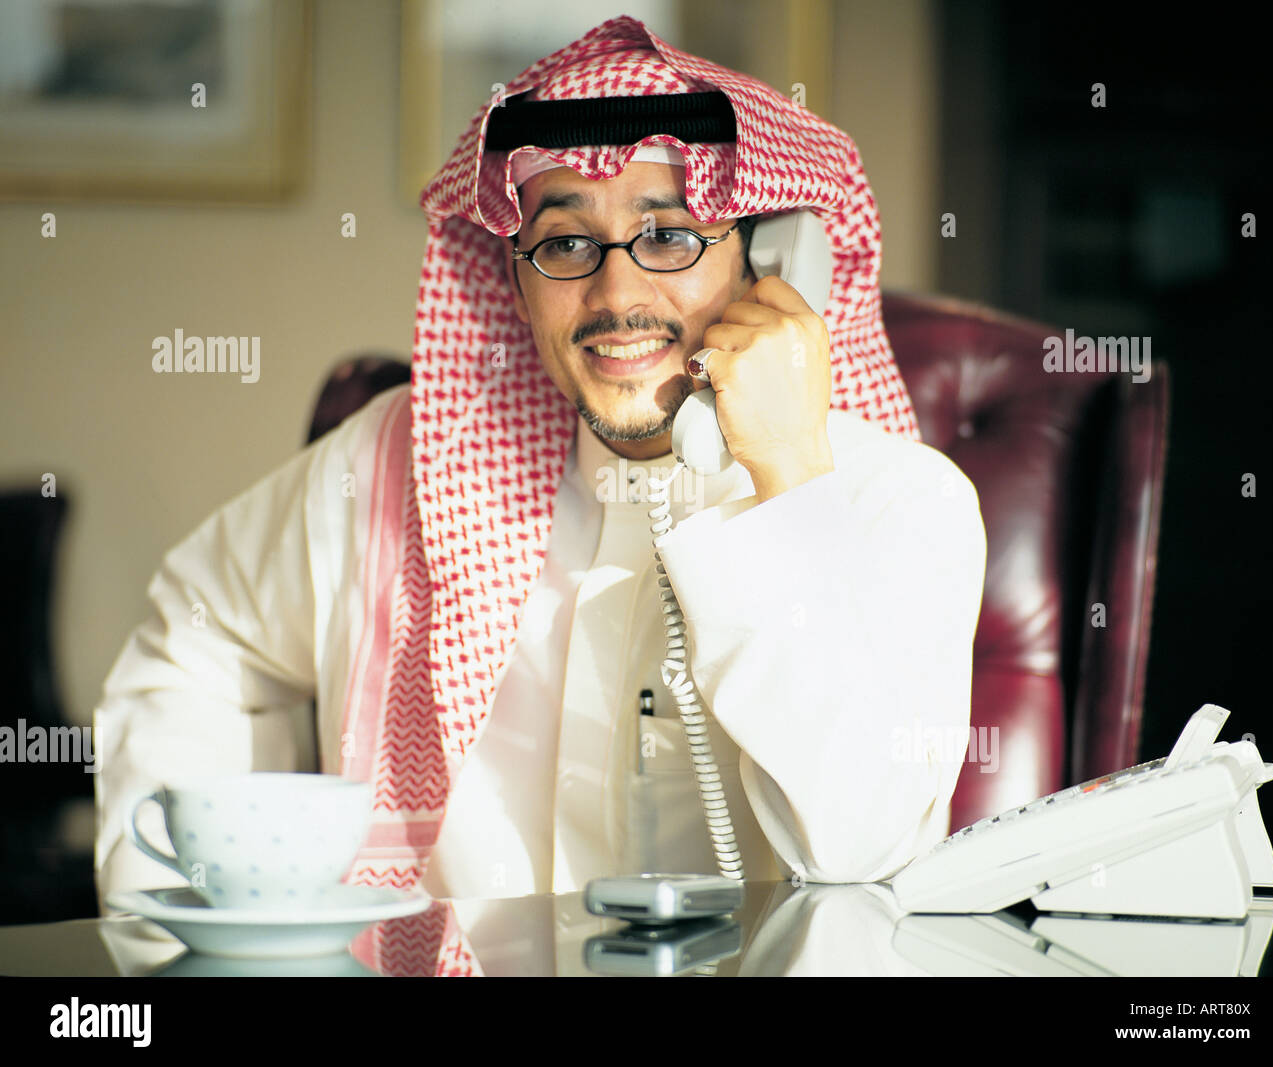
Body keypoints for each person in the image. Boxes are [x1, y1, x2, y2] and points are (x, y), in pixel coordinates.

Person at [92, 16, 986, 929]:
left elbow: (859, 849)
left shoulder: (899, 504)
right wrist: (195, 923)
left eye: (670, 235)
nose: (617, 296)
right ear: (512, 272)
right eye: (563, 244)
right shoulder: (396, 468)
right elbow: (195, 636)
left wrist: (789, 474)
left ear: (772, 262)